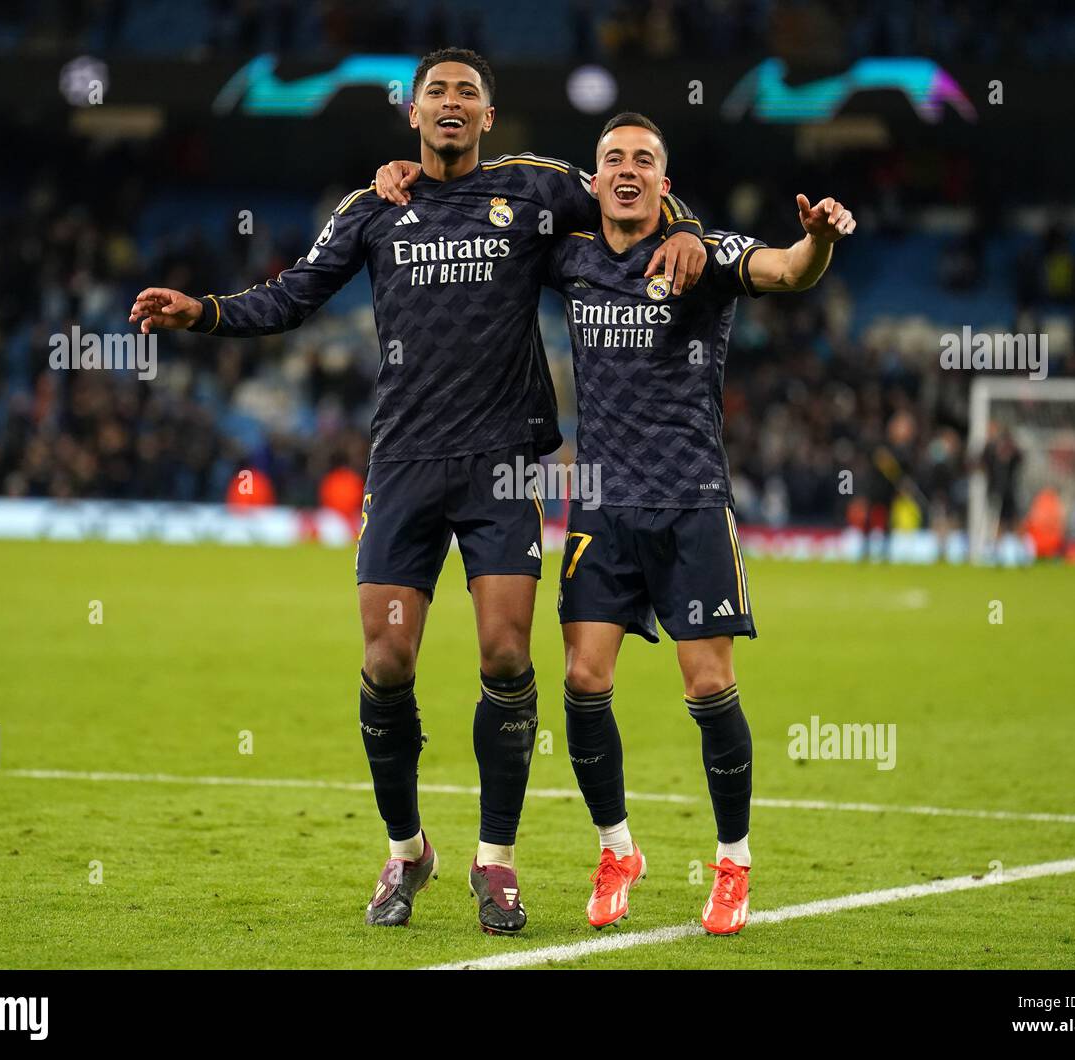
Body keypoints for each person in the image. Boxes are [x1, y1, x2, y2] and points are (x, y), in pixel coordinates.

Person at [128, 49, 706, 936]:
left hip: (502, 462)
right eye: (436, 91)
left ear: (487, 114)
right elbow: (291, 297)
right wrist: (201, 311)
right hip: (404, 464)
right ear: (413, 114)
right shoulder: (372, 208)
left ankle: (497, 863)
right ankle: (406, 852)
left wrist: (691, 230)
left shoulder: (536, 190)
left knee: (507, 658)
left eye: (466, 93)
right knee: (385, 663)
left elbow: (632, 194)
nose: (450, 104)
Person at [542, 112, 854, 934]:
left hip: (691, 504)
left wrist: (817, 239)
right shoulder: (570, 258)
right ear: (596, 177)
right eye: (614, 158)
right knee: (582, 680)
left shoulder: (704, 256)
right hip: (601, 507)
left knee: (709, 684)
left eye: (645, 158)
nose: (628, 169)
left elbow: (788, 271)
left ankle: (733, 861)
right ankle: (617, 847)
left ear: (665, 181)